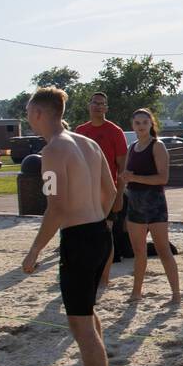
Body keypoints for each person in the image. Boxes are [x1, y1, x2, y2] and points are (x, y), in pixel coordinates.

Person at [21, 87, 118, 366]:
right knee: (86, 311)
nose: (28, 119)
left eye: (28, 113)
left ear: (38, 114)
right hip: (99, 233)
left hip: (78, 239)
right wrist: (98, 220)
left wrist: (34, 250)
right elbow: (111, 191)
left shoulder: (52, 152)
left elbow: (55, 209)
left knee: (80, 326)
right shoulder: (88, 143)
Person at [120, 108, 181, 308]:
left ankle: (175, 294)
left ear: (151, 124)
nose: (141, 126)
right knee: (139, 251)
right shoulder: (132, 147)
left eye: (144, 122)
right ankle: (136, 292)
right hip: (135, 203)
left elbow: (163, 178)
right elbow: (127, 175)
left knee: (163, 250)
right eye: (137, 123)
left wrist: (134, 177)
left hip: (155, 204)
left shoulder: (158, 146)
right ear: (133, 125)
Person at [73, 91, 128, 289]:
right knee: (85, 234)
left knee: (106, 233)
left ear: (106, 108)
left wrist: (120, 194)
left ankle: (104, 277)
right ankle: (88, 273)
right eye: (95, 103)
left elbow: (122, 167)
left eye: (102, 104)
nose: (98, 106)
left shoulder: (115, 131)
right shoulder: (80, 130)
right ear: (89, 105)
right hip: (85, 191)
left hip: (109, 191)